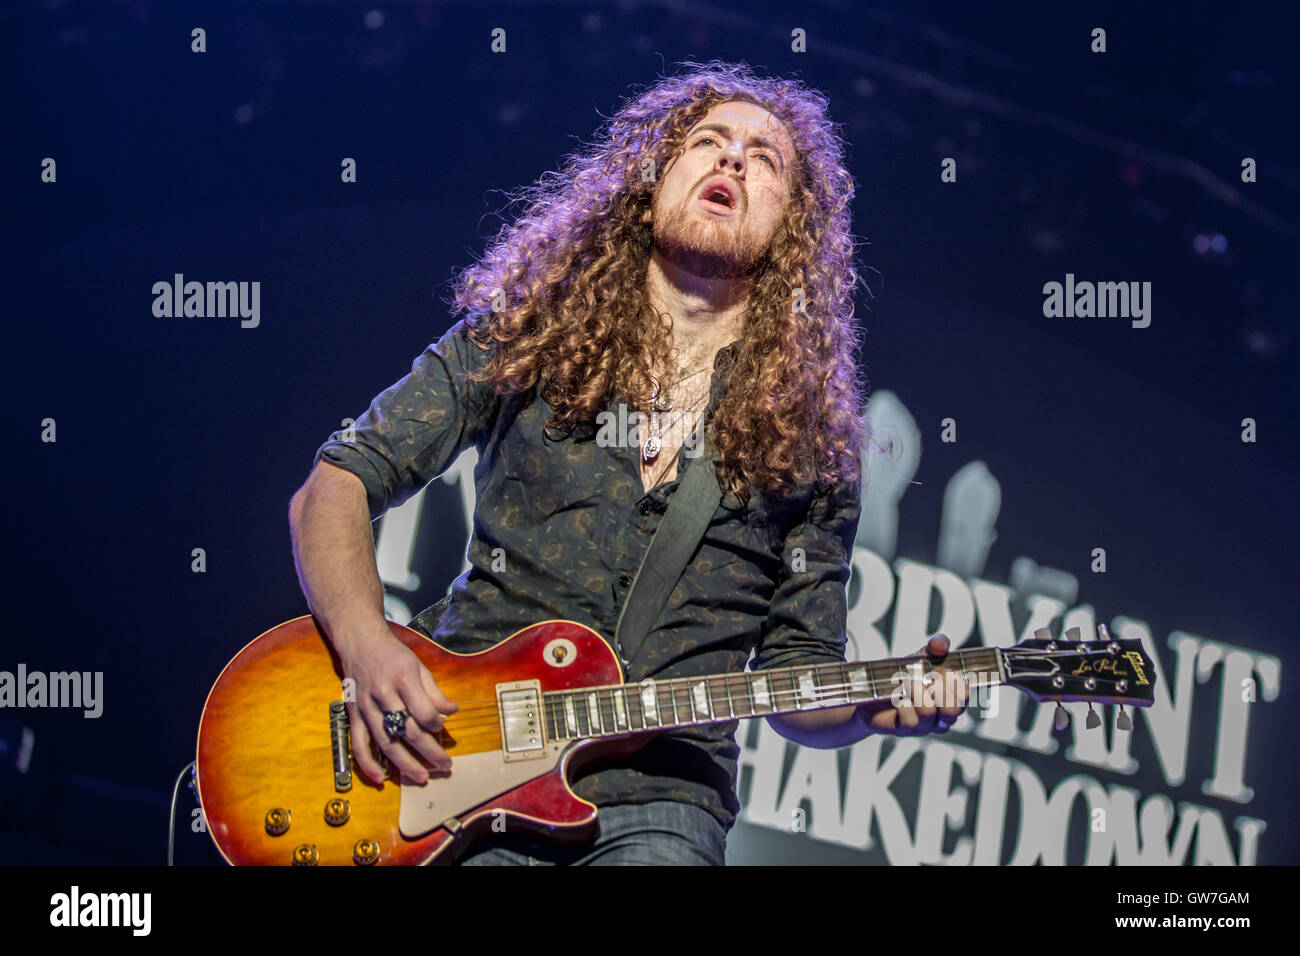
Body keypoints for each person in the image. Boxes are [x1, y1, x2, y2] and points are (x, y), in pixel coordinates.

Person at [288, 60, 967, 866]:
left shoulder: (812, 447)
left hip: (663, 799)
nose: (733, 160)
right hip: (455, 761)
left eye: (765, 158)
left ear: (793, 230)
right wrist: (368, 646)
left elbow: (798, 675)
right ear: (649, 184)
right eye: (708, 141)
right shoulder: (524, 338)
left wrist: (875, 709)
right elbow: (336, 484)